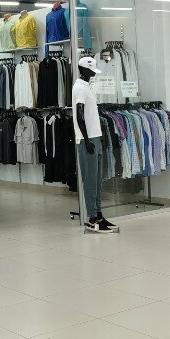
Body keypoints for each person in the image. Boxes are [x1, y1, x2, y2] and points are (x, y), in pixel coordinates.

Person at [73, 56, 118, 233]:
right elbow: (79, 116)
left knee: (97, 180)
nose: (93, 73)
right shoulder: (79, 88)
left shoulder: (87, 87)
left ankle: (98, 215)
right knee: (90, 181)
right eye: (90, 70)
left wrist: (99, 136)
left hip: (95, 138)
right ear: (82, 69)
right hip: (88, 140)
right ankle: (92, 218)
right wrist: (86, 139)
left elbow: (89, 115)